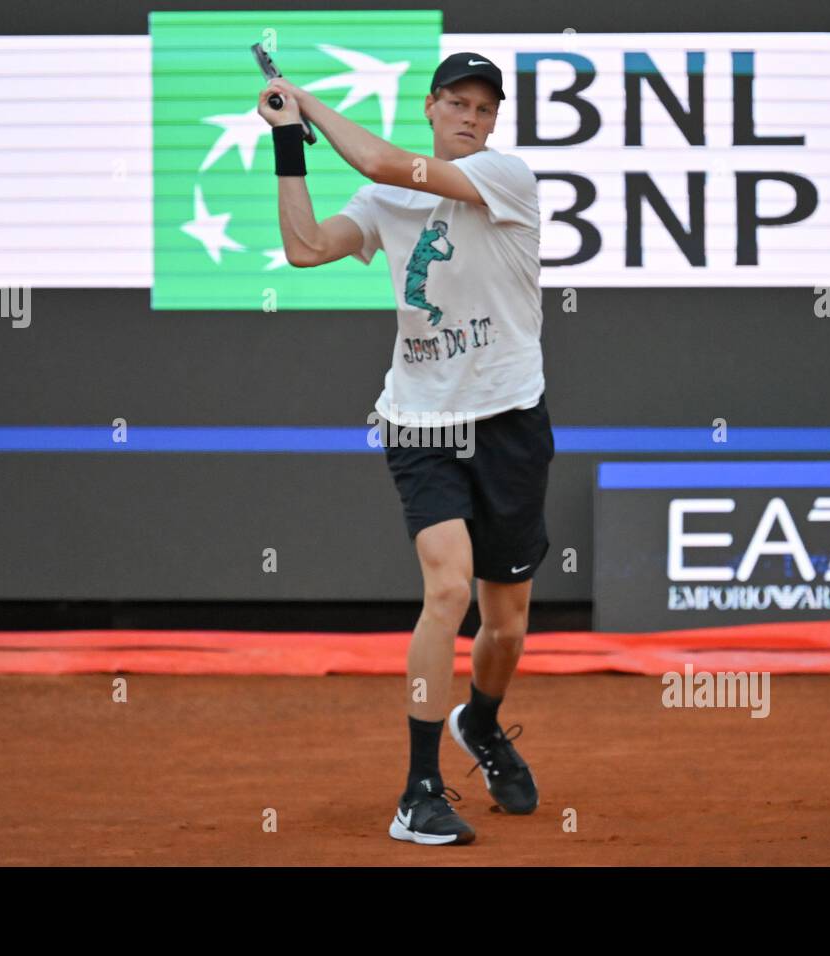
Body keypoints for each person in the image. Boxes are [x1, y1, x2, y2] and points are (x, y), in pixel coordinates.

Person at [258, 52, 552, 846]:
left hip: (510, 421)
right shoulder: (386, 199)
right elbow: (307, 248)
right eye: (455, 102)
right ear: (430, 106)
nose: (469, 116)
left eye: (482, 108)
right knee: (447, 589)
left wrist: (307, 102)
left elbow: (388, 160)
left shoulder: (506, 179)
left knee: (508, 624)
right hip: (422, 422)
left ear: (493, 123)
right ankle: (419, 790)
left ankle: (481, 725)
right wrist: (289, 143)